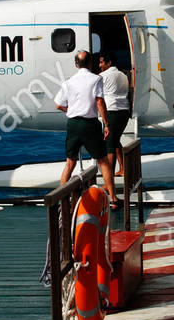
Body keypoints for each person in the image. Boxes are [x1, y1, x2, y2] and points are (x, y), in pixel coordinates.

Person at [55, 50, 120, 208]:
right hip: (90, 124)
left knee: (70, 163)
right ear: (91, 63)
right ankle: (113, 199)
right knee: (103, 161)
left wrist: (70, 111)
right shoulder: (96, 79)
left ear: (76, 64)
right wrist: (106, 124)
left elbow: (58, 104)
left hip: (73, 124)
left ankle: (61, 200)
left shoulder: (68, 82)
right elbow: (99, 102)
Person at [98, 52, 131, 184]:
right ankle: (122, 168)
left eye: (101, 62)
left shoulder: (102, 76)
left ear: (109, 63)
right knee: (115, 140)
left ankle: (109, 179)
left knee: (109, 143)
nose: (99, 65)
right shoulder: (123, 75)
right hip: (124, 112)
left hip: (112, 111)